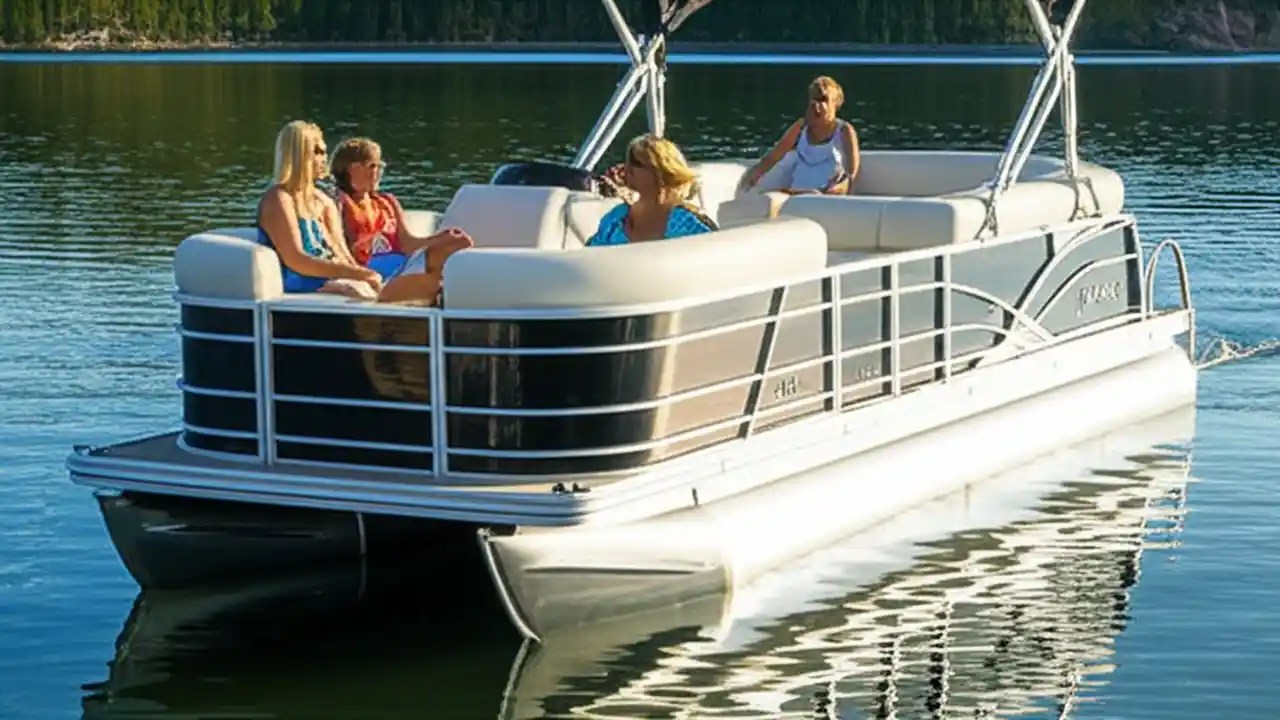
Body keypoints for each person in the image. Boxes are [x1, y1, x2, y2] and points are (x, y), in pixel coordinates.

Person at [255, 120, 382, 298]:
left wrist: (362, 275)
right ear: (300, 155)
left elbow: (341, 253)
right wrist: (355, 276)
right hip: (299, 285)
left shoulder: (324, 201)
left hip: (331, 279)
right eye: (318, 152)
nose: (325, 158)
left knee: (383, 290)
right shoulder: (279, 199)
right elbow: (296, 260)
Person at [328, 137, 474, 285]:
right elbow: (342, 249)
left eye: (380, 166)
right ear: (353, 169)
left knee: (451, 247)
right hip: (367, 270)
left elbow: (407, 244)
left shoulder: (387, 202)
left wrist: (441, 239)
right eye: (372, 166)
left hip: (397, 265)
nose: (378, 172)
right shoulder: (337, 203)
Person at [587, 134, 716, 247]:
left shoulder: (686, 222)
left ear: (659, 172)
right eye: (628, 162)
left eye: (635, 163)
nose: (627, 168)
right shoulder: (616, 218)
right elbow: (589, 258)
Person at [742, 75, 861, 196]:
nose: (817, 105)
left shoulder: (844, 131)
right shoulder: (800, 127)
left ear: (835, 103)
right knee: (768, 198)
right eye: (814, 100)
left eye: (823, 100)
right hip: (796, 196)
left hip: (825, 197)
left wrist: (836, 190)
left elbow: (851, 174)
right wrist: (753, 174)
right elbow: (774, 157)